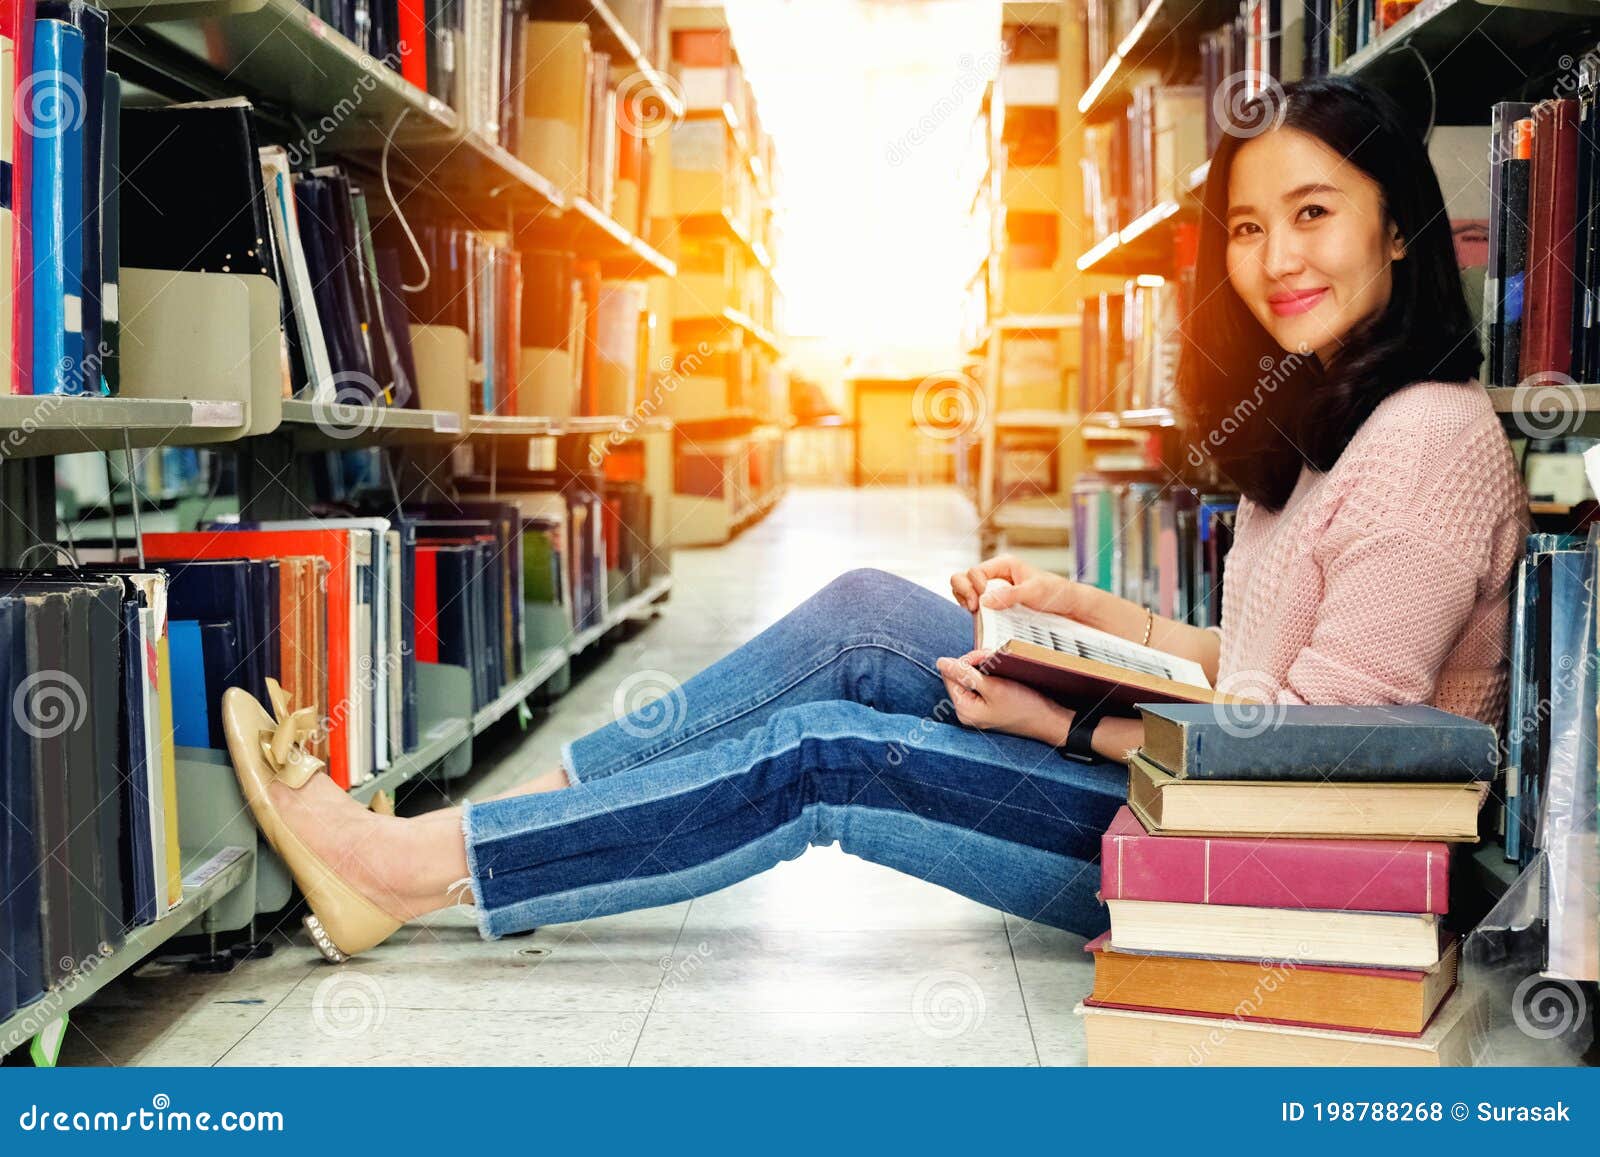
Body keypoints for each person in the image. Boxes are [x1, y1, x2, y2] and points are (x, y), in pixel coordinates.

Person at [226, 74, 1530, 963]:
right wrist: (1083, 616)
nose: (1277, 258)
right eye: (1246, 226)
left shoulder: (1428, 435)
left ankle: (407, 870)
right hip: (1216, 798)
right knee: (862, 616)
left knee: (825, 757)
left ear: (1399, 228)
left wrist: (1066, 720)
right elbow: (1256, 666)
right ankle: (504, 831)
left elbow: (1319, 759)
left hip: (1286, 878)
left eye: (1315, 214)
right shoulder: (1327, 415)